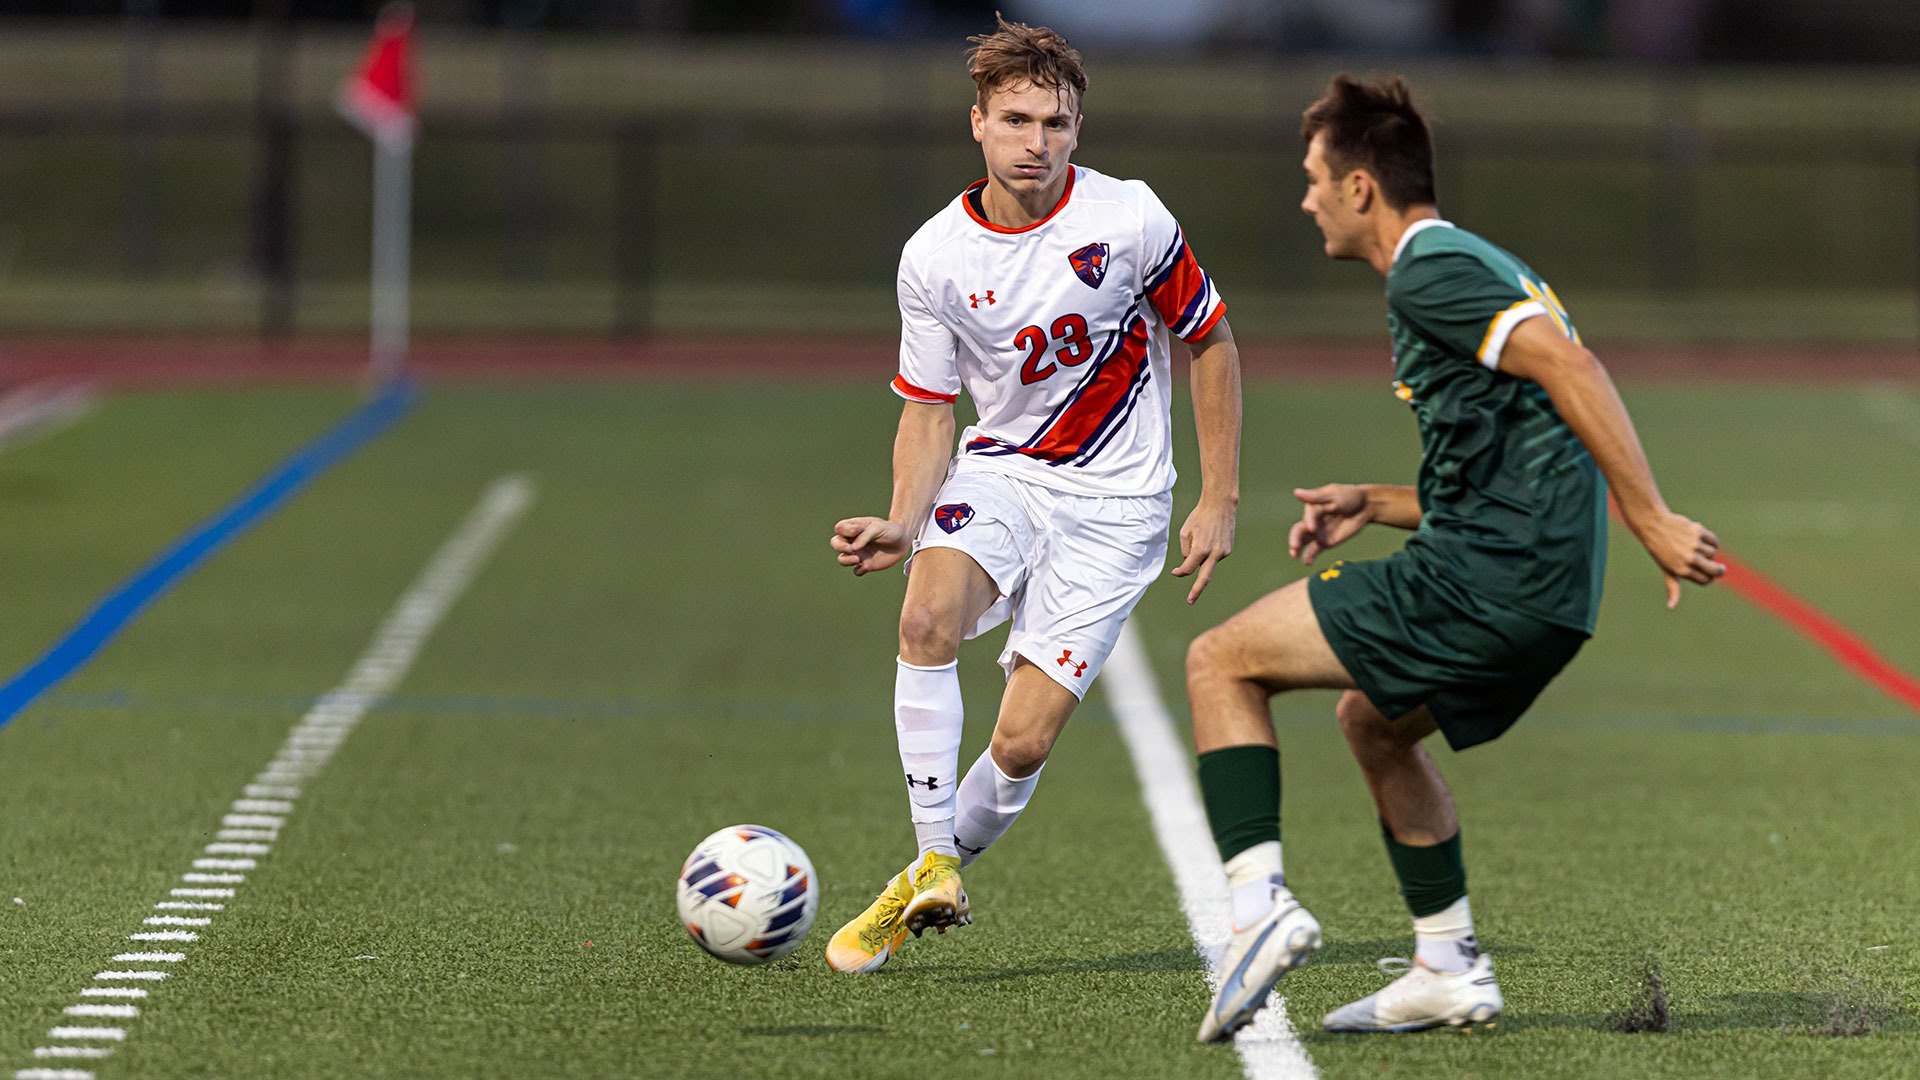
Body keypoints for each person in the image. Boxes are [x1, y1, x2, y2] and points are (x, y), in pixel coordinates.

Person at [1188, 74, 1724, 1040]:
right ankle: (1447, 968)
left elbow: (1573, 369)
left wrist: (1651, 517)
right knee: (1375, 724)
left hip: (1485, 584)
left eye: (1315, 176)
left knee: (1219, 661)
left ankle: (1257, 911)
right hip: (1547, 597)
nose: (1304, 196)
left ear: (1361, 188)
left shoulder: (1430, 268)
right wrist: (1377, 501)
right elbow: (1514, 455)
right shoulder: (1475, 267)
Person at [825, 15, 1243, 973]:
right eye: (1016, 120)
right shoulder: (933, 257)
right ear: (977, 123)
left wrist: (1219, 496)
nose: (1036, 142)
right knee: (925, 619)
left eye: (1054, 124)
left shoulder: (1131, 217)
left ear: (1077, 130)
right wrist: (900, 516)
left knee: (1021, 739)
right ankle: (935, 864)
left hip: (1120, 506)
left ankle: (922, 872)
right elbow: (931, 411)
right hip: (1003, 471)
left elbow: (1209, 340)